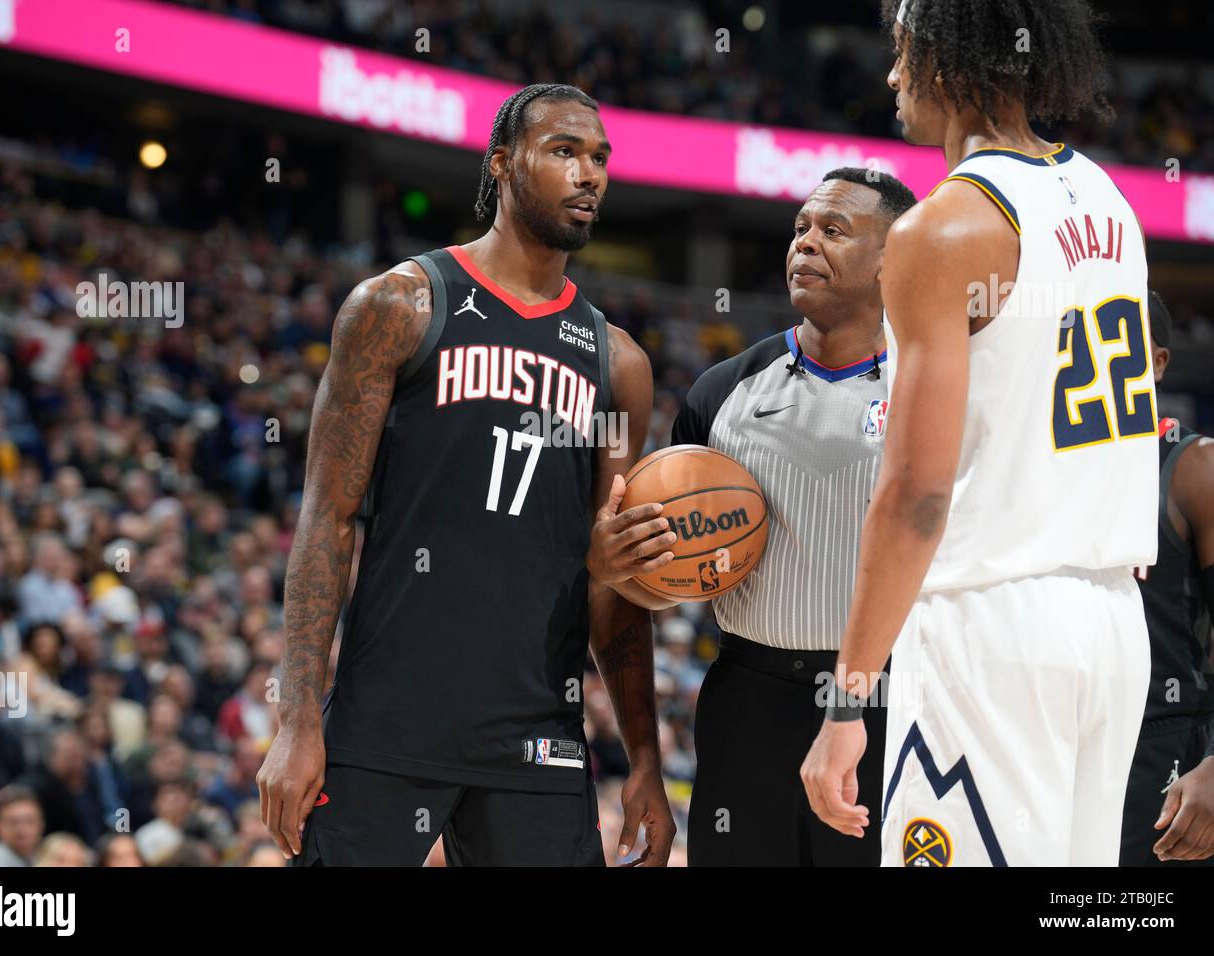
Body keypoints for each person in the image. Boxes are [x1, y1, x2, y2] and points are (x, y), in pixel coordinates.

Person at [257, 83, 675, 866]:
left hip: (537, 738)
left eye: (600, 158)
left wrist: (645, 759)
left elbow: (611, 583)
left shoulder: (618, 364)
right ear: (501, 163)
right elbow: (325, 519)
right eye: (564, 152)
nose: (589, 174)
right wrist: (298, 720)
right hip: (386, 724)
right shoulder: (398, 307)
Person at [801, 0, 1158, 866]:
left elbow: (917, 495)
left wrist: (848, 700)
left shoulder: (943, 228)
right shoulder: (1109, 199)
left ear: (944, 54)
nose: (891, 75)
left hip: (993, 624)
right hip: (1112, 625)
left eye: (900, 50)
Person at [588, 168, 916, 865]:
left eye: (834, 230)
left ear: (895, 258)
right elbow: (658, 580)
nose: (805, 243)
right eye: (800, 228)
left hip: (893, 700)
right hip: (749, 697)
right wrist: (619, 563)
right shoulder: (722, 389)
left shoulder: (933, 391)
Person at [1121, 291, 1214, 865]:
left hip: (1166, 744)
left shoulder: (1197, 466)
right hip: (1062, 738)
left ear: (1158, 362)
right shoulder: (1036, 474)